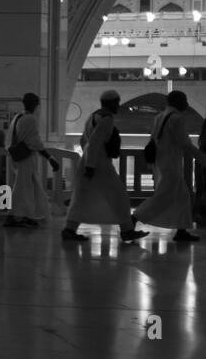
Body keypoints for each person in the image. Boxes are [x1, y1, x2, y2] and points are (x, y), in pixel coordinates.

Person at [61, 89, 147, 244]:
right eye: (117, 102)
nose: (118, 105)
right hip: (99, 164)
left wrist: (87, 162)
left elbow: (84, 141)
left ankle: (69, 229)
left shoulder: (93, 116)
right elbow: (95, 142)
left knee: (82, 197)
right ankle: (127, 230)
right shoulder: (106, 119)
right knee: (119, 195)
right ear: (111, 103)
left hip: (89, 161)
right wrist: (91, 166)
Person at [133, 91, 206, 241]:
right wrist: (203, 158)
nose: (187, 103)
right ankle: (133, 219)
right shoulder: (177, 119)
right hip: (171, 163)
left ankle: (181, 231)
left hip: (162, 162)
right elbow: (185, 144)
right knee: (163, 197)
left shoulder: (160, 117)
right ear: (178, 102)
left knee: (182, 196)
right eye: (184, 100)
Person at [4, 93, 58, 228]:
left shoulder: (18, 117)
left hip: (17, 157)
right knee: (23, 187)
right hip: (25, 159)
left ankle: (25, 215)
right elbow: (34, 142)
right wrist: (50, 158)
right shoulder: (30, 119)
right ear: (35, 104)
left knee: (27, 187)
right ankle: (15, 216)